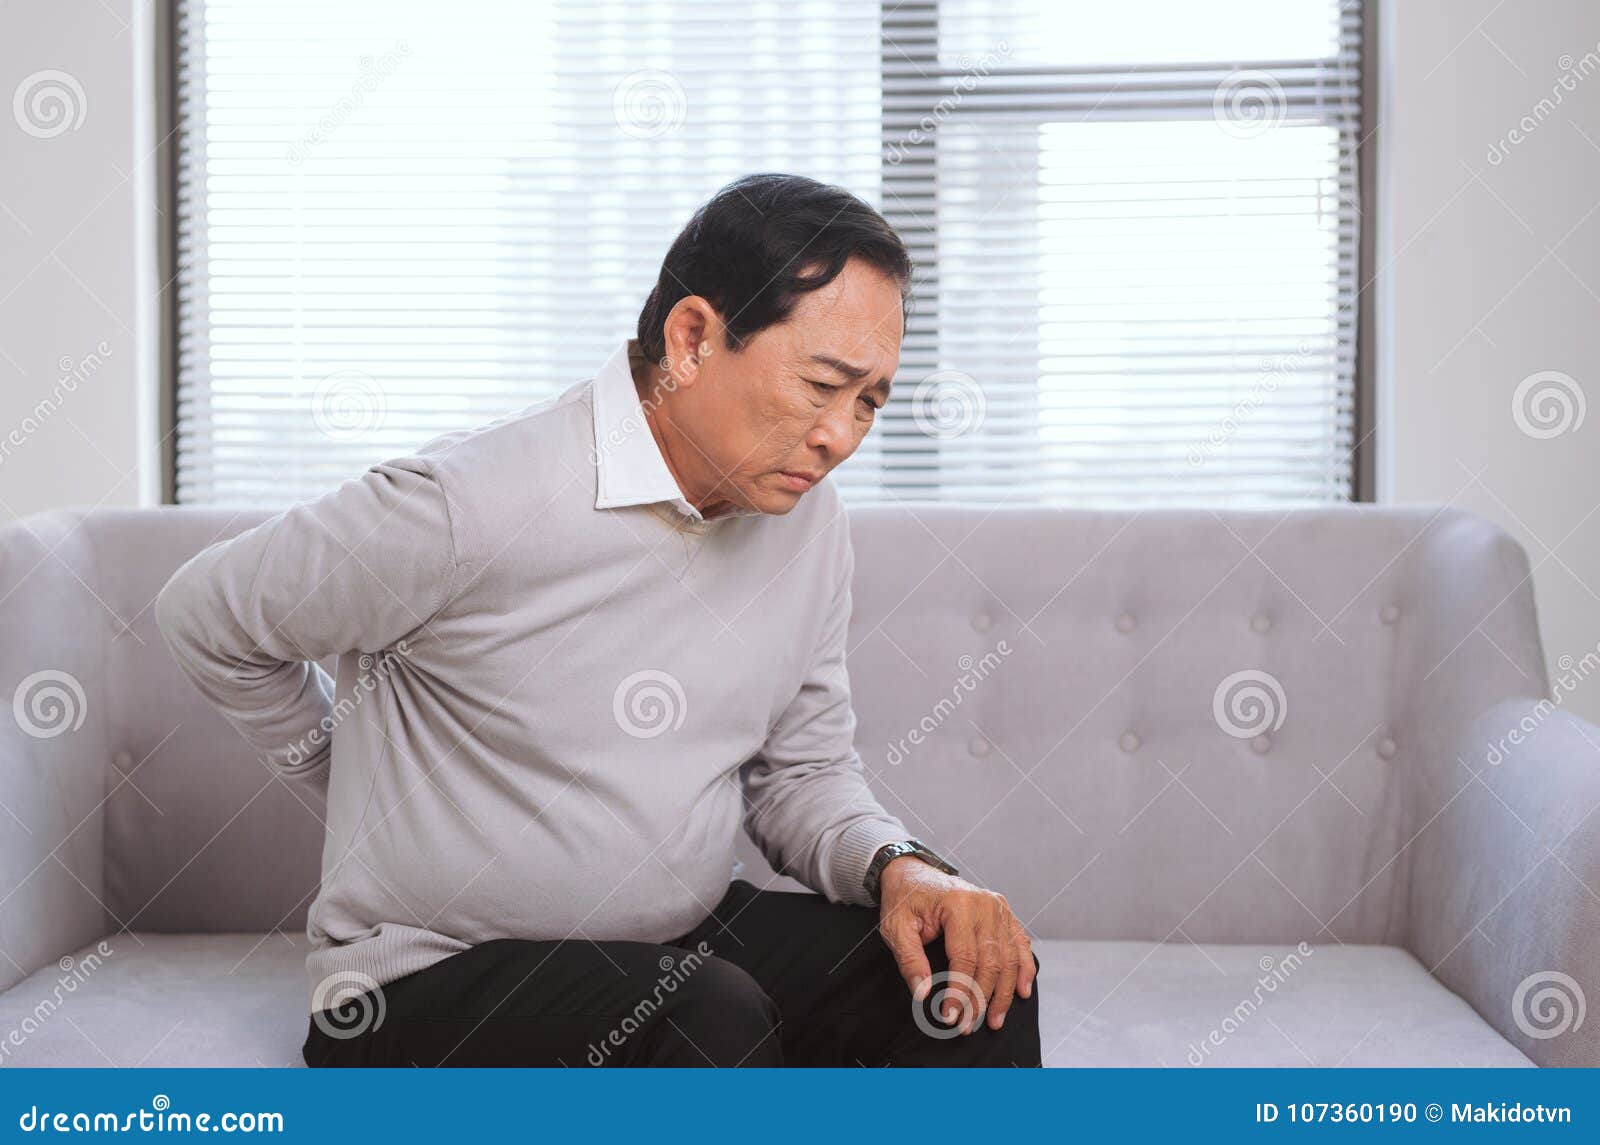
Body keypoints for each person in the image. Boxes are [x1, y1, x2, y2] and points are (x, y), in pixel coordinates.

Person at [156, 173, 1040, 1067]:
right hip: (426, 981)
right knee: (703, 1018)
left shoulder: (806, 523)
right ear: (692, 338)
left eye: (870, 402)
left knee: (966, 977)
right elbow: (207, 614)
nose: (842, 436)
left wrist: (902, 864)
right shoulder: (475, 502)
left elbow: (801, 774)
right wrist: (350, 773)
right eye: (823, 386)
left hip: (669, 950)